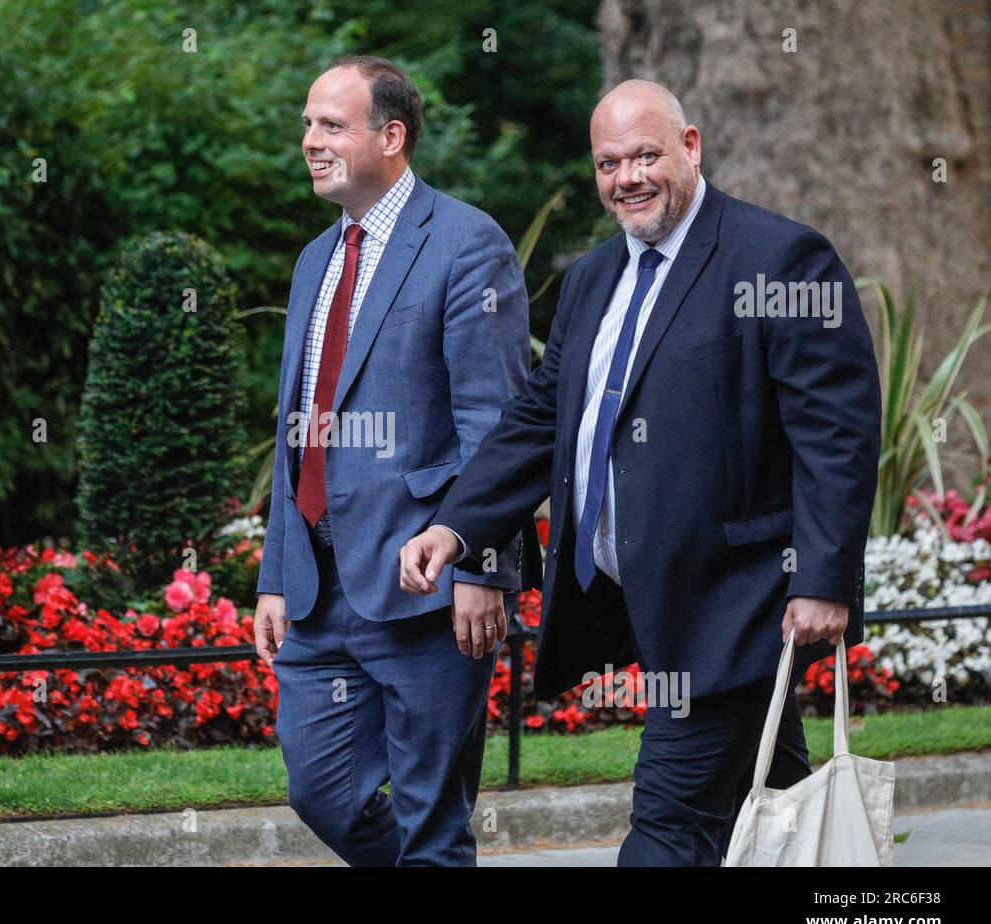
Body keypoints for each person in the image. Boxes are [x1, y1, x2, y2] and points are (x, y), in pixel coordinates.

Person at [399, 79, 881, 866]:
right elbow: (538, 421)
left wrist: (822, 578)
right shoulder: (594, 278)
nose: (628, 178)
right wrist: (456, 525)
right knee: (771, 805)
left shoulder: (779, 257)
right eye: (608, 163)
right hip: (651, 603)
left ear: (690, 148)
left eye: (646, 155)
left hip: (737, 601)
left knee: (666, 829)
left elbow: (836, 435)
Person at [253, 55, 541, 866]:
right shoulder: (316, 259)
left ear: (392, 135)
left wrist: (483, 563)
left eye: (331, 125)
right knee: (322, 792)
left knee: (431, 821)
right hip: (317, 590)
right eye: (308, 123)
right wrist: (277, 573)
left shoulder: (465, 243)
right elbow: (296, 432)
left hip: (427, 589)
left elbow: (497, 425)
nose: (311, 140)